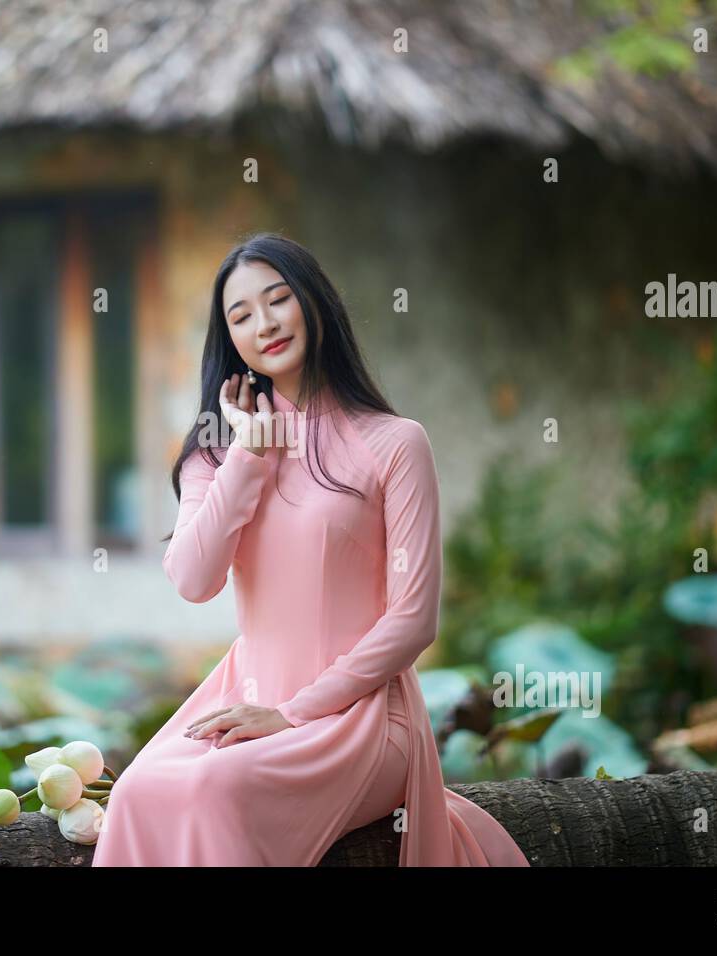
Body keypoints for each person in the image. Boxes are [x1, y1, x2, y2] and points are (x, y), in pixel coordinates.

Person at [91, 233, 529, 866]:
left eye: (278, 300)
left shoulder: (395, 444)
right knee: (135, 790)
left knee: (219, 787)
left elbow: (413, 620)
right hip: (242, 702)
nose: (264, 324)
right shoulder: (216, 455)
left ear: (315, 304)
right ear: (228, 339)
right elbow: (192, 579)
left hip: (362, 717)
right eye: (241, 316)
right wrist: (250, 453)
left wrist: (293, 713)